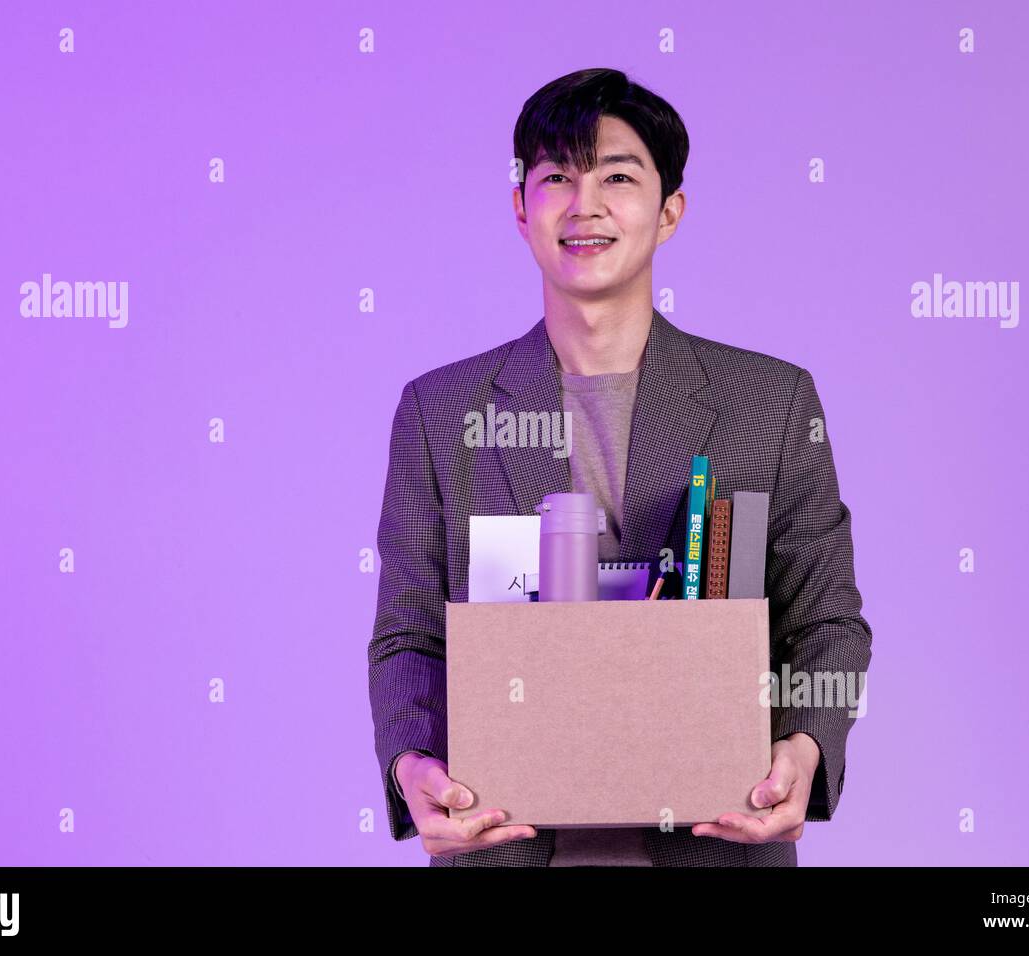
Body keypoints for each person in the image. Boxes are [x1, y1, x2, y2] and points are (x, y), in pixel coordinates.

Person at [368, 67, 872, 866]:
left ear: (670, 211)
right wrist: (412, 766)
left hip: (715, 843)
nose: (585, 204)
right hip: (503, 845)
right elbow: (409, 636)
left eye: (618, 178)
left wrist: (806, 748)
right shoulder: (439, 411)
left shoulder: (770, 401)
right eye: (557, 177)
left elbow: (827, 621)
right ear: (519, 207)